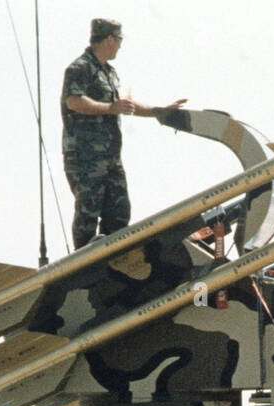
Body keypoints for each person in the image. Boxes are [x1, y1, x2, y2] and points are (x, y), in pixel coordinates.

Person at [61, 18, 186, 249]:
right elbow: (73, 101)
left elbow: (125, 106)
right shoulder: (80, 68)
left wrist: (159, 112)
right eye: (119, 40)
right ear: (109, 39)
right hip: (86, 158)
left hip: (110, 159)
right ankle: (81, 268)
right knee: (88, 215)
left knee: (119, 214)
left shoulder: (109, 73)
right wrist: (110, 108)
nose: (120, 45)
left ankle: (111, 266)